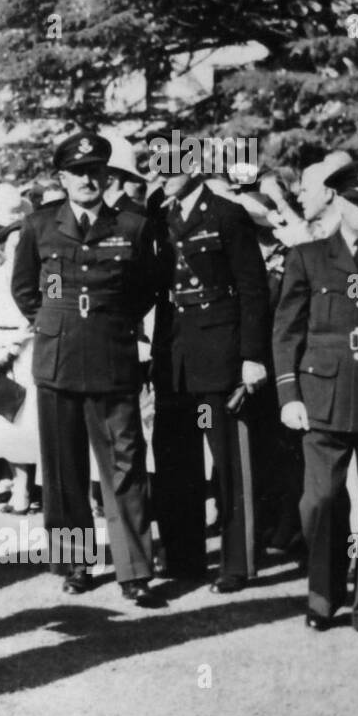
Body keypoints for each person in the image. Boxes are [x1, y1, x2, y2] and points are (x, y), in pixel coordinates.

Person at [10, 132, 163, 605]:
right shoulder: (39, 225)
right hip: (56, 363)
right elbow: (25, 290)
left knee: (124, 466)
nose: (88, 180)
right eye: (78, 173)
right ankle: (75, 563)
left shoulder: (133, 226)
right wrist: (55, 325)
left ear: (107, 175)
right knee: (63, 472)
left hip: (112, 360)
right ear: (62, 178)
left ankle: (134, 569)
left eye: (97, 171)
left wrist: (105, 324)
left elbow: (143, 291)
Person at [273, 159, 358, 643]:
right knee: (321, 502)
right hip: (321, 395)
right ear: (340, 203)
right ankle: (323, 596)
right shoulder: (308, 257)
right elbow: (286, 331)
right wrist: (288, 393)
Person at [149, 156, 270, 592]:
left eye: (171, 167)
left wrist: (252, 355)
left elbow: (253, 286)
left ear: (196, 168)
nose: (162, 175)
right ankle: (184, 557)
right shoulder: (157, 217)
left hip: (219, 354)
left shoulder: (226, 214)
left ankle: (238, 562)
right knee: (174, 458)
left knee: (228, 463)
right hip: (174, 357)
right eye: (156, 167)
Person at [0, 206, 39, 515]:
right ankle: (17, 484)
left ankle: (28, 490)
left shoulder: (38, 279)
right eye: (11, 244)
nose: (16, 249)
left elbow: (36, 319)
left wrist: (13, 350)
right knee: (6, 421)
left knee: (29, 422)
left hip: (25, 351)